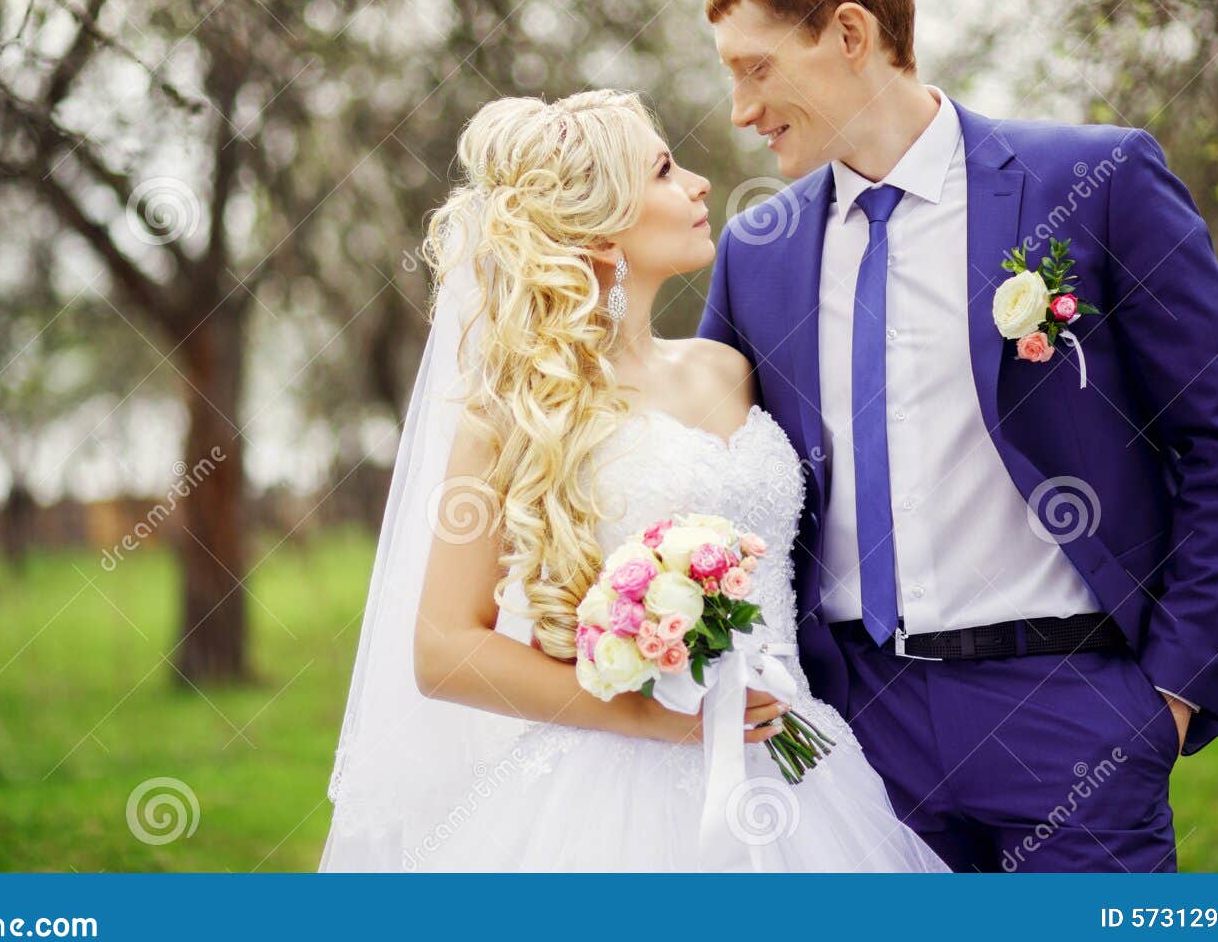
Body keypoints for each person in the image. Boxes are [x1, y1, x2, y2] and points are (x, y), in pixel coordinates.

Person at [698, 0, 1218, 871]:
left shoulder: (1095, 181)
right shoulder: (756, 251)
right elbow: (715, 472)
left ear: (851, 33)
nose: (740, 111)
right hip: (853, 729)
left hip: (1069, 708)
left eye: (756, 69)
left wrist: (1165, 700)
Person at [318, 89, 948, 872]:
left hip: (798, 763)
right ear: (602, 230)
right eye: (662, 170)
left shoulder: (730, 369)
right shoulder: (514, 413)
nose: (698, 183)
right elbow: (444, 649)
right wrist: (661, 718)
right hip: (613, 798)